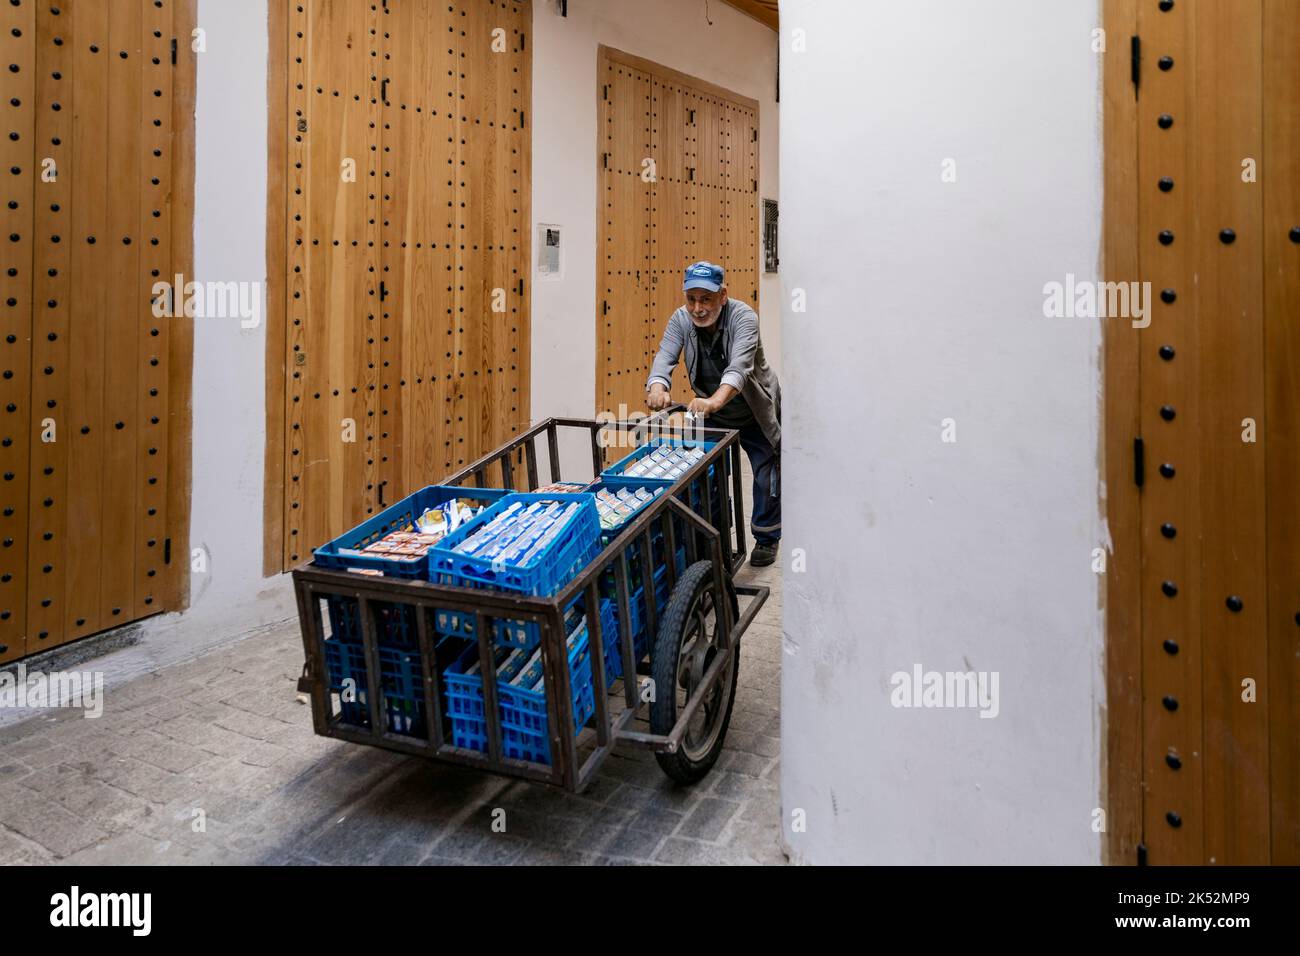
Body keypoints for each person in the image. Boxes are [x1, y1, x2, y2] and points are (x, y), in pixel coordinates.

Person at [645, 261, 782, 567]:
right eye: (691, 299)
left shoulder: (743, 317)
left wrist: (714, 401)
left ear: (723, 295)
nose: (698, 308)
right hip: (713, 413)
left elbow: (740, 369)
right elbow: (665, 356)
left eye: (705, 299)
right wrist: (657, 387)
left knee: (765, 473)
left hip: (752, 409)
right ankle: (716, 538)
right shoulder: (680, 320)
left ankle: (766, 536)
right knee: (711, 476)